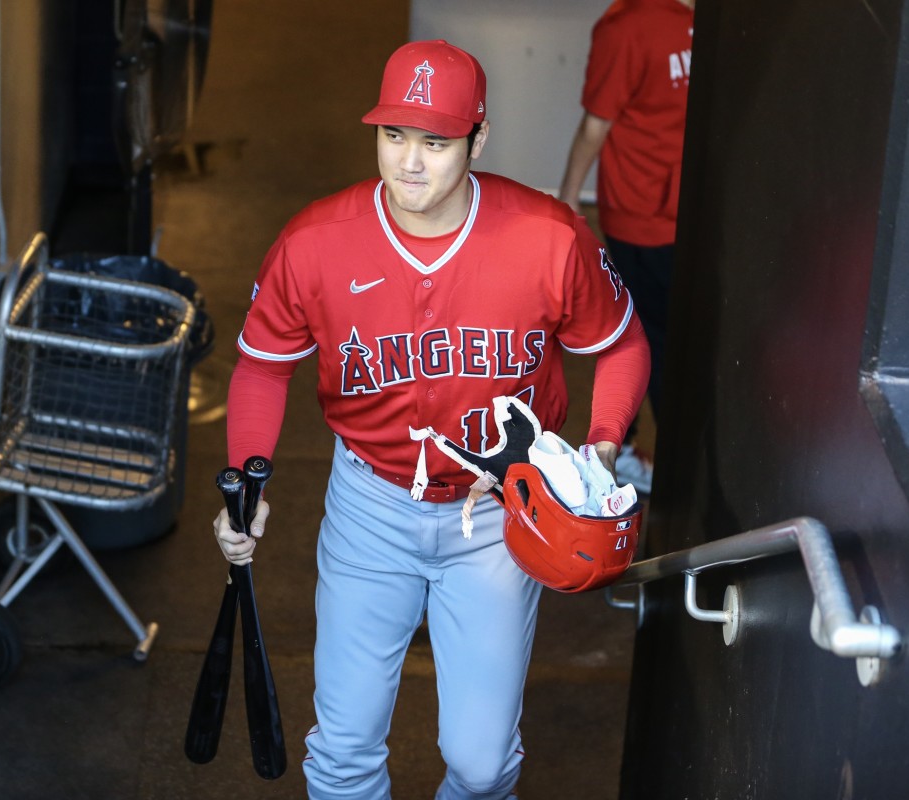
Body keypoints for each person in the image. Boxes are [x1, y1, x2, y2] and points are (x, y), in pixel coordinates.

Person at [213, 39, 650, 800]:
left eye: (436, 142)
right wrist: (249, 483)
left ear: (477, 141)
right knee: (345, 752)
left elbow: (623, 347)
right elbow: (260, 364)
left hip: (502, 515)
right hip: (370, 507)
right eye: (394, 136)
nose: (410, 162)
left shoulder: (549, 238)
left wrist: (603, 448)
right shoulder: (314, 242)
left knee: (482, 766)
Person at [558, 0, 696, 495]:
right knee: (647, 339)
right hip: (643, 215)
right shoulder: (627, 28)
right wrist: (569, 205)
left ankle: (657, 456)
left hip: (689, 207)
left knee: (675, 338)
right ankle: (635, 455)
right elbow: (596, 125)